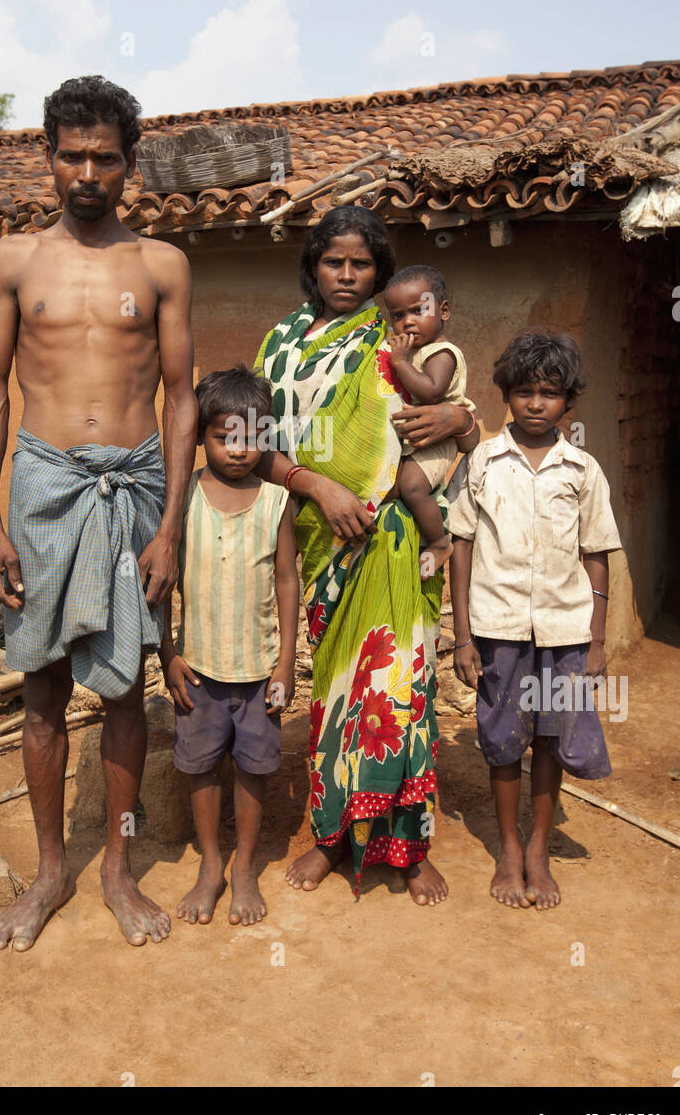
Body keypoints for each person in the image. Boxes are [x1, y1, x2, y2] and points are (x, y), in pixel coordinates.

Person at [0, 74, 201, 951]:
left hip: (135, 486)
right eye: (72, 156)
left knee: (125, 690)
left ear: (131, 163)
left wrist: (171, 523)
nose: (88, 172)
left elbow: (182, 399)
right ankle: (50, 872)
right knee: (42, 685)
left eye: (106, 156)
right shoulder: (13, 261)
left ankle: (115, 869)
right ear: (49, 158)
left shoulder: (163, 266)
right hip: (43, 487)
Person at [254, 207, 479, 901]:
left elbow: (460, 425)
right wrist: (317, 485)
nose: (346, 275)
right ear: (313, 267)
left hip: (396, 538)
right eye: (333, 262)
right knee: (335, 694)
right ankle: (333, 837)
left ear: (380, 273)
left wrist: (460, 417)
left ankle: (407, 847)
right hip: (322, 541)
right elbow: (255, 445)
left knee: (400, 691)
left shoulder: (397, 337)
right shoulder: (280, 345)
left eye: (361, 264)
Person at [449, 330, 622, 911]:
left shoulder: (582, 470)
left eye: (549, 393)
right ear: (507, 395)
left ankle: (539, 852)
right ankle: (507, 849)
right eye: (525, 392)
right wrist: (465, 637)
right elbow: (462, 545)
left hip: (565, 630)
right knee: (502, 742)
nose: (536, 403)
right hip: (497, 628)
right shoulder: (483, 463)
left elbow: (596, 552)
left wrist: (596, 639)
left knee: (550, 738)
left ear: (568, 401)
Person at [160, 366, 298, 926]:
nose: (238, 450)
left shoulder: (275, 500)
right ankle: (210, 864)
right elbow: (161, 579)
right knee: (199, 766)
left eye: (250, 436)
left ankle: (244, 865)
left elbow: (287, 579)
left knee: (253, 767)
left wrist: (286, 661)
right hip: (198, 668)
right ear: (199, 435)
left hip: (259, 668)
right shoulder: (182, 496)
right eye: (224, 436)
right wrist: (167, 652)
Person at [381, 264, 476, 577]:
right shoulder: (415, 352)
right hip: (414, 443)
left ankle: (438, 542)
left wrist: (400, 362)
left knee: (411, 486)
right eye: (397, 315)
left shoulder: (442, 353)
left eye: (419, 310)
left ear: (443, 310)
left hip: (439, 441)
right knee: (390, 487)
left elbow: (432, 392)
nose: (407, 322)